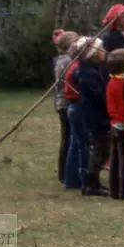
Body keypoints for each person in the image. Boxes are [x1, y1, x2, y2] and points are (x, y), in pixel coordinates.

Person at [72, 37, 110, 197]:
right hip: (95, 115)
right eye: (101, 49)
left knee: (102, 147)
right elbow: (98, 96)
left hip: (94, 113)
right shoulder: (88, 74)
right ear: (93, 53)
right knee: (99, 148)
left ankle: (93, 180)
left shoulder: (91, 69)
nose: (104, 52)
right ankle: (91, 182)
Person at [53, 30, 79, 187]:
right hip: (65, 103)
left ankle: (68, 173)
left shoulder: (68, 59)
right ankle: (65, 174)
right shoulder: (65, 61)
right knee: (68, 138)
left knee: (69, 138)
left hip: (65, 102)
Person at [62, 36, 88, 190]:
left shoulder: (73, 66)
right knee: (82, 145)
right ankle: (84, 179)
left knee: (75, 143)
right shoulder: (78, 69)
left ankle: (71, 179)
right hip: (78, 106)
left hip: (73, 107)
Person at [106, 49, 124, 199]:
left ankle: (114, 189)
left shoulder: (111, 81)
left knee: (115, 157)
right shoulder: (122, 83)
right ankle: (123, 189)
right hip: (123, 122)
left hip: (114, 122)